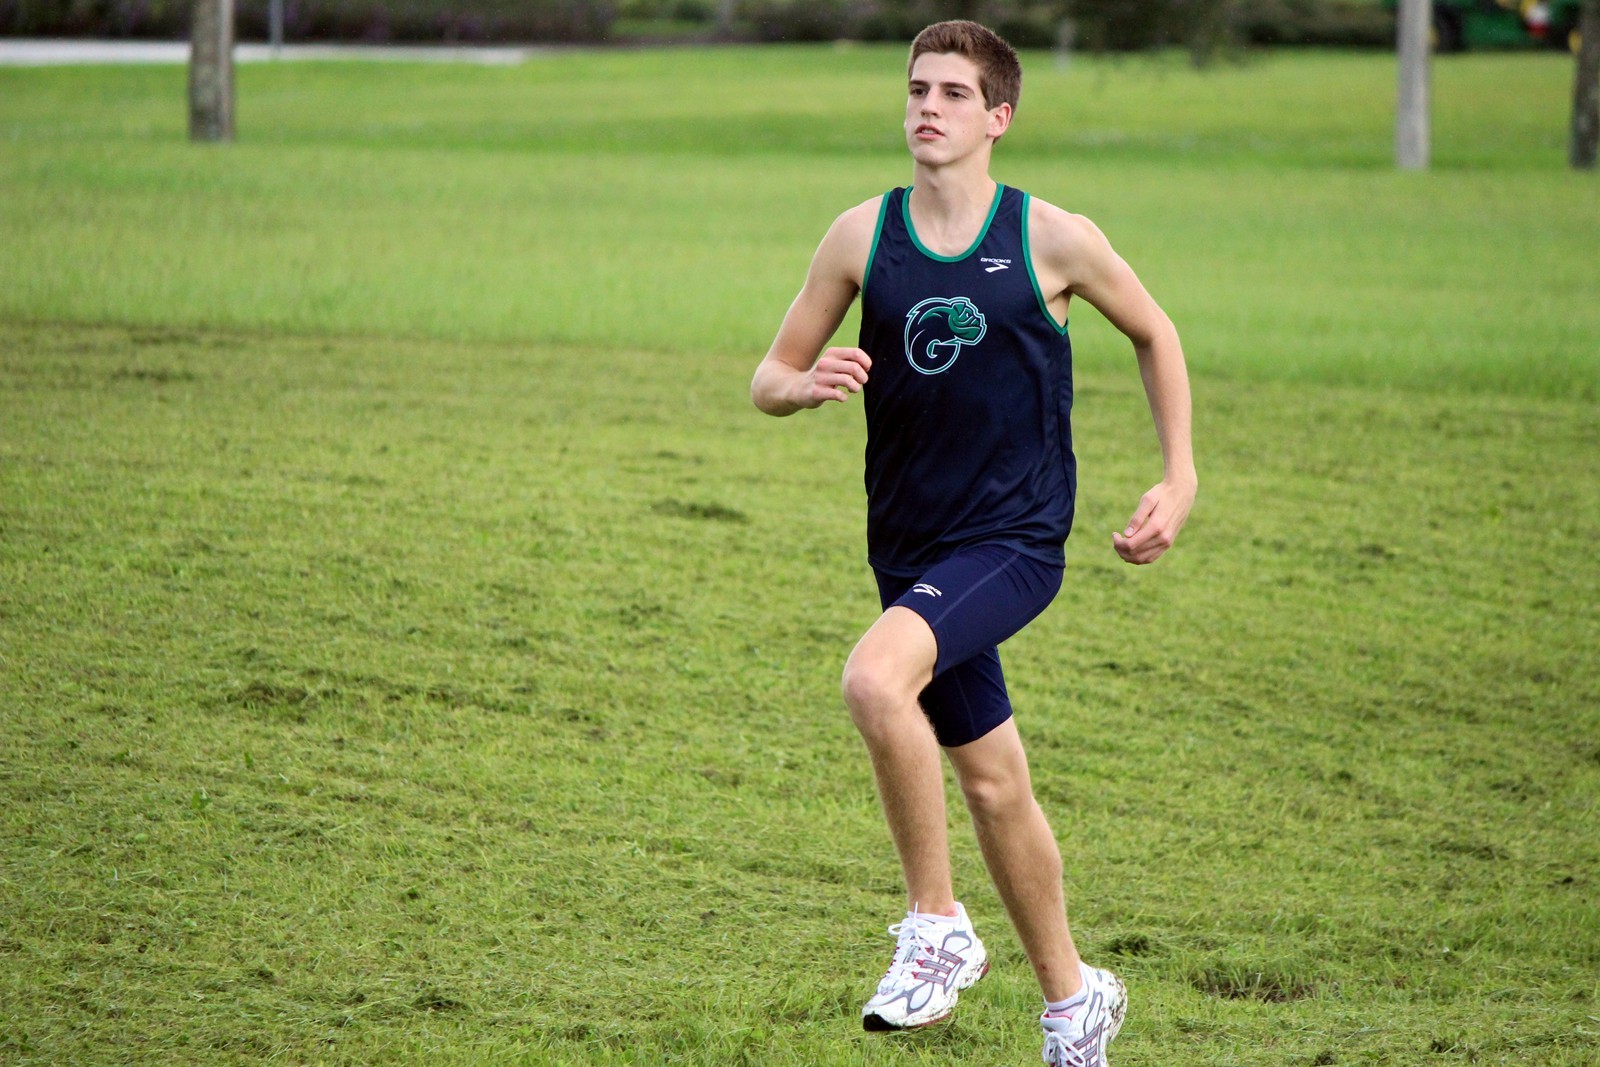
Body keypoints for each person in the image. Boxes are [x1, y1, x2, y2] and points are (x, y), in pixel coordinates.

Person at [749, 20, 1195, 1067]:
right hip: (906, 544)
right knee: (992, 781)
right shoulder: (863, 235)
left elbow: (1155, 332)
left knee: (872, 679)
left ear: (997, 118)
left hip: (1014, 540)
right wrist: (803, 386)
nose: (926, 107)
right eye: (916, 88)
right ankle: (1074, 997)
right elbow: (766, 374)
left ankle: (936, 925)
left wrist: (1178, 474)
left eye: (953, 92)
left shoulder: (1053, 236)